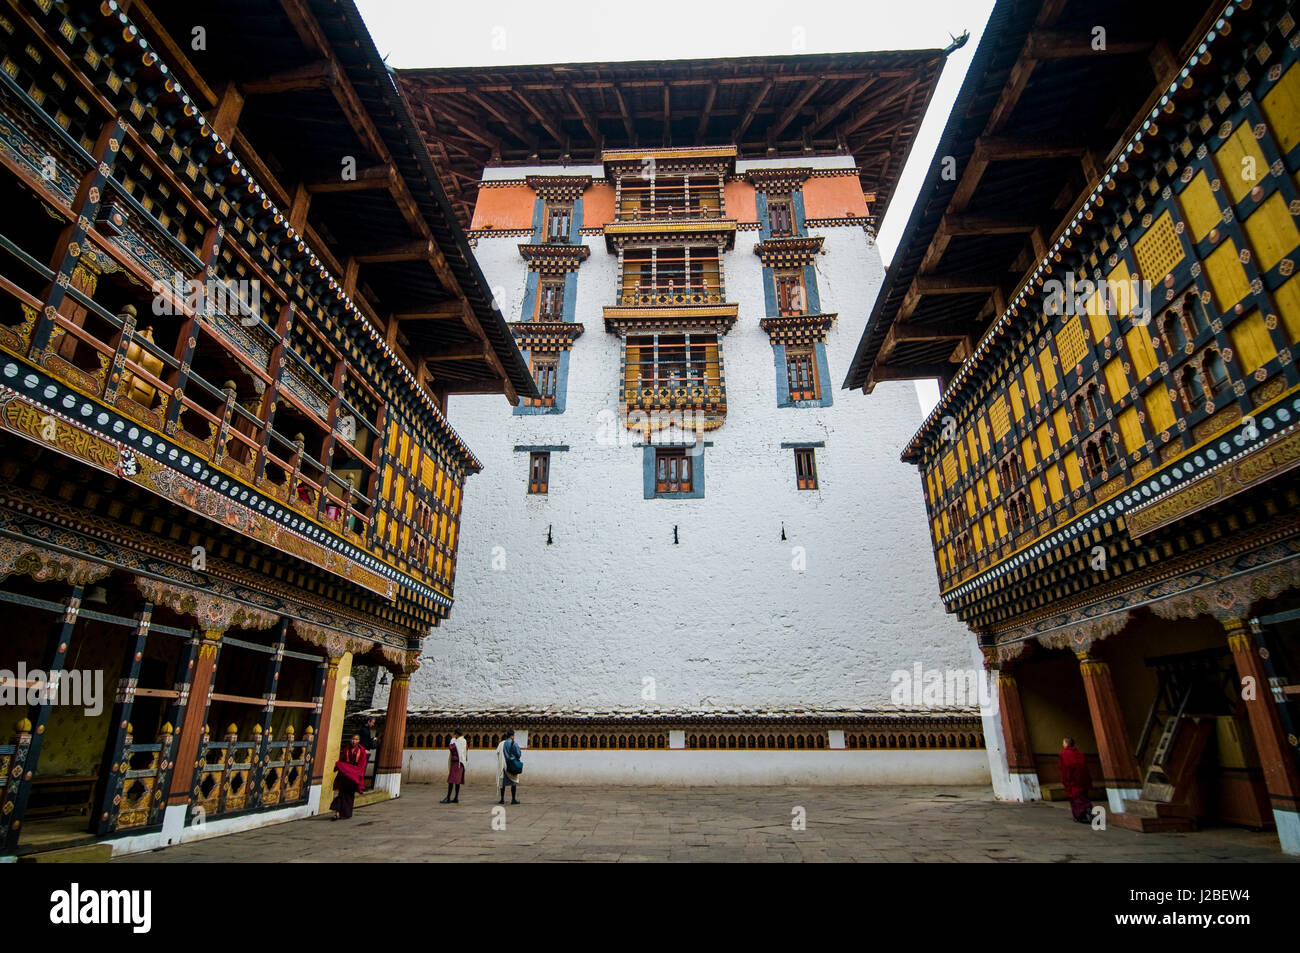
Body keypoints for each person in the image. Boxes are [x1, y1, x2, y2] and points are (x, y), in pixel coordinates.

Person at [331, 733, 367, 820]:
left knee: (349, 794)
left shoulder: (361, 750)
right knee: (341, 793)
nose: (354, 741)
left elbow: (362, 764)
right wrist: (339, 766)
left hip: (353, 776)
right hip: (345, 775)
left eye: (356, 739)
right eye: (353, 739)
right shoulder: (347, 749)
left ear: (359, 741)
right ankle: (338, 812)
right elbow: (342, 759)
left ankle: (346, 813)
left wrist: (358, 774)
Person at [1059, 737, 1093, 824]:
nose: (1063, 744)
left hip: (1072, 779)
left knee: (1076, 798)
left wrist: (1065, 780)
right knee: (1083, 796)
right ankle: (1087, 810)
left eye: (1063, 742)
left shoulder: (1064, 754)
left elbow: (1065, 768)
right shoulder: (1079, 753)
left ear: (1066, 743)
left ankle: (1081, 816)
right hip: (1083, 779)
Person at [495, 729, 522, 805]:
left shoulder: (501, 744)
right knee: (513, 783)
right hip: (512, 765)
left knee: (503, 783)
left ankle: (502, 799)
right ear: (512, 736)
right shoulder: (514, 743)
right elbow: (518, 754)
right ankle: (513, 799)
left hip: (503, 765)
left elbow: (497, 753)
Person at [441, 728, 467, 804]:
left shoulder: (457, 741)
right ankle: (456, 797)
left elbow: (452, 749)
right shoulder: (464, 741)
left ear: (456, 734)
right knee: (457, 781)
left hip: (456, 763)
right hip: (461, 763)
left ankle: (448, 798)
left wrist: (452, 742)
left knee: (451, 780)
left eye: (454, 734)